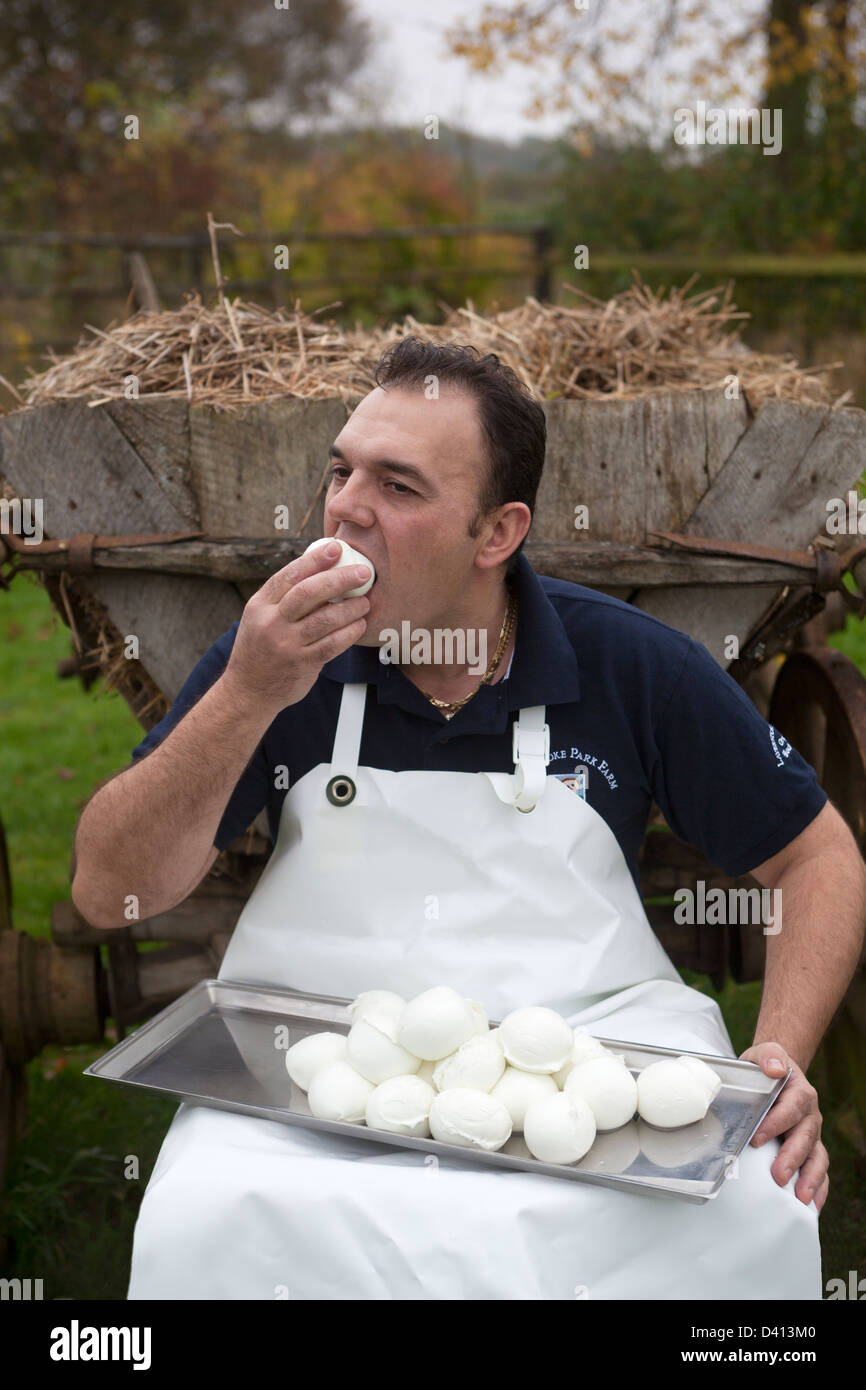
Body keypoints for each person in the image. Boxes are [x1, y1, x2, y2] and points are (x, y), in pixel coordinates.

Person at [71, 337, 865, 1300]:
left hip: (589, 1058)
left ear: (497, 533)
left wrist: (776, 1055)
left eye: (398, 488)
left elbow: (817, 857)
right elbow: (108, 893)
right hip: (320, 1068)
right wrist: (247, 692)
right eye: (340, 470)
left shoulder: (629, 665)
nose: (345, 507)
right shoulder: (274, 658)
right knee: (210, 1214)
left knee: (752, 1205)